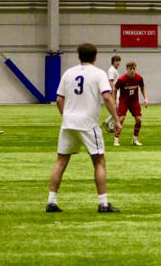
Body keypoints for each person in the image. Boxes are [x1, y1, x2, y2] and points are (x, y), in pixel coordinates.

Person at [46, 43, 121, 213]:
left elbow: (59, 99)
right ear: (95, 56)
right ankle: (103, 203)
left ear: (79, 57)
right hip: (88, 124)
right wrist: (116, 119)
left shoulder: (68, 73)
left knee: (61, 162)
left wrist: (66, 116)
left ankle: (51, 201)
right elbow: (107, 97)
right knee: (99, 161)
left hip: (68, 123)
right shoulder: (98, 74)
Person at [112, 61, 147, 147]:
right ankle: (116, 139)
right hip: (124, 102)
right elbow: (115, 90)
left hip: (134, 102)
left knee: (139, 120)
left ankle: (135, 139)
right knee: (121, 119)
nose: (132, 70)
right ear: (127, 69)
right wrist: (114, 101)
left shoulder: (139, 78)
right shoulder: (121, 79)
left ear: (136, 69)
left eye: (133, 69)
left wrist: (145, 98)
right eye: (130, 69)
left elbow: (142, 88)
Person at [102, 55, 121, 133]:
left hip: (117, 91)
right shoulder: (112, 70)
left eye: (119, 61)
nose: (118, 63)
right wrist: (114, 91)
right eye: (116, 61)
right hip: (115, 91)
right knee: (117, 109)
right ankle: (108, 123)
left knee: (117, 109)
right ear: (113, 62)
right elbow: (110, 81)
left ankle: (110, 124)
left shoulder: (114, 70)